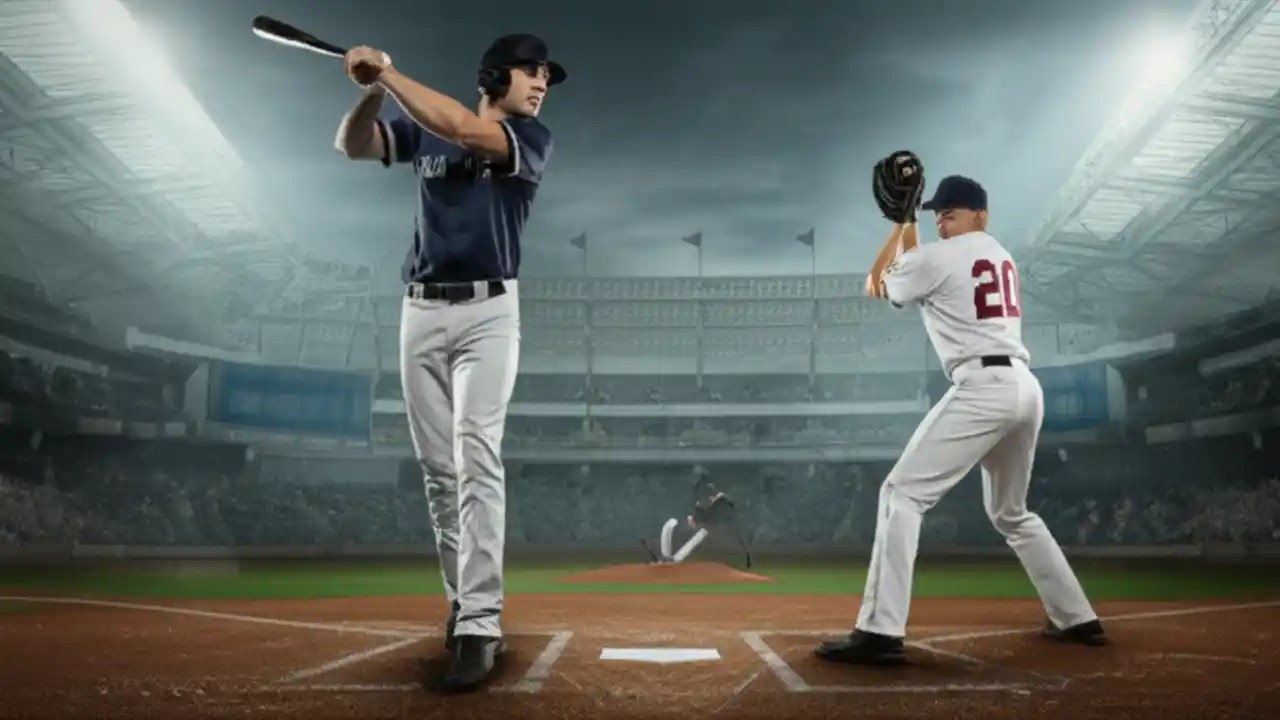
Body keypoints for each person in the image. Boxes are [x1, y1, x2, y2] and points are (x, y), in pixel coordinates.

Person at [333, 33, 566, 692]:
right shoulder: (422, 127)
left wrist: (390, 70)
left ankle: (482, 625)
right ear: (494, 72)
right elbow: (353, 144)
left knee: (476, 454)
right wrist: (372, 89)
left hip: (490, 312)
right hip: (420, 311)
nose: (541, 82)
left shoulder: (531, 140)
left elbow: (465, 129)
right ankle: (462, 607)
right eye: (530, 70)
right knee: (439, 475)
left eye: (546, 74)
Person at [815, 170, 1105, 667]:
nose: (943, 221)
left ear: (979, 214)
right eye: (936, 215)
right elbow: (923, 264)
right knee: (1012, 513)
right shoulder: (1000, 254)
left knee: (900, 495)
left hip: (981, 388)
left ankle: (880, 630)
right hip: (1023, 388)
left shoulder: (939, 255)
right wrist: (911, 223)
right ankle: (1077, 617)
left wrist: (897, 224)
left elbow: (877, 285)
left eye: (950, 213)